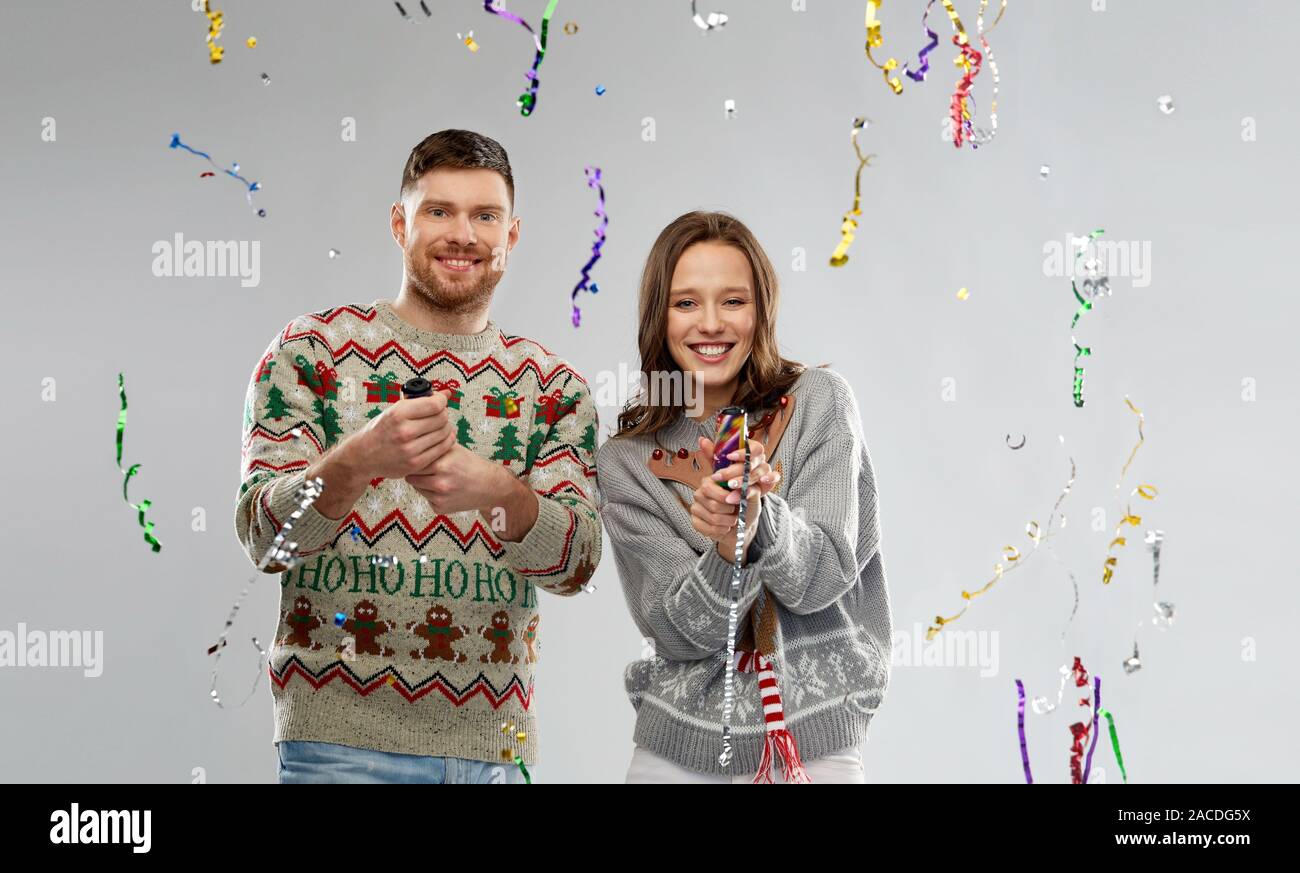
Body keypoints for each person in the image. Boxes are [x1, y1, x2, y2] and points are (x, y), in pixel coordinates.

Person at [235, 129, 602, 784]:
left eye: (484, 215)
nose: (463, 233)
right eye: (439, 210)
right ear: (401, 223)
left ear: (511, 235)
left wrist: (501, 493)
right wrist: (356, 461)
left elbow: (576, 565)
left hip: (495, 752)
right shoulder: (310, 354)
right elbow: (268, 542)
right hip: (337, 748)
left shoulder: (552, 389)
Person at [596, 211, 892, 783]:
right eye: (685, 303)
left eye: (733, 301)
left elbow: (826, 575)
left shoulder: (819, 404)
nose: (710, 324)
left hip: (813, 747)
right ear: (659, 316)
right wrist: (728, 553)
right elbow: (675, 633)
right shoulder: (627, 460)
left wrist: (762, 525)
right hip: (676, 754)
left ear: (762, 310)